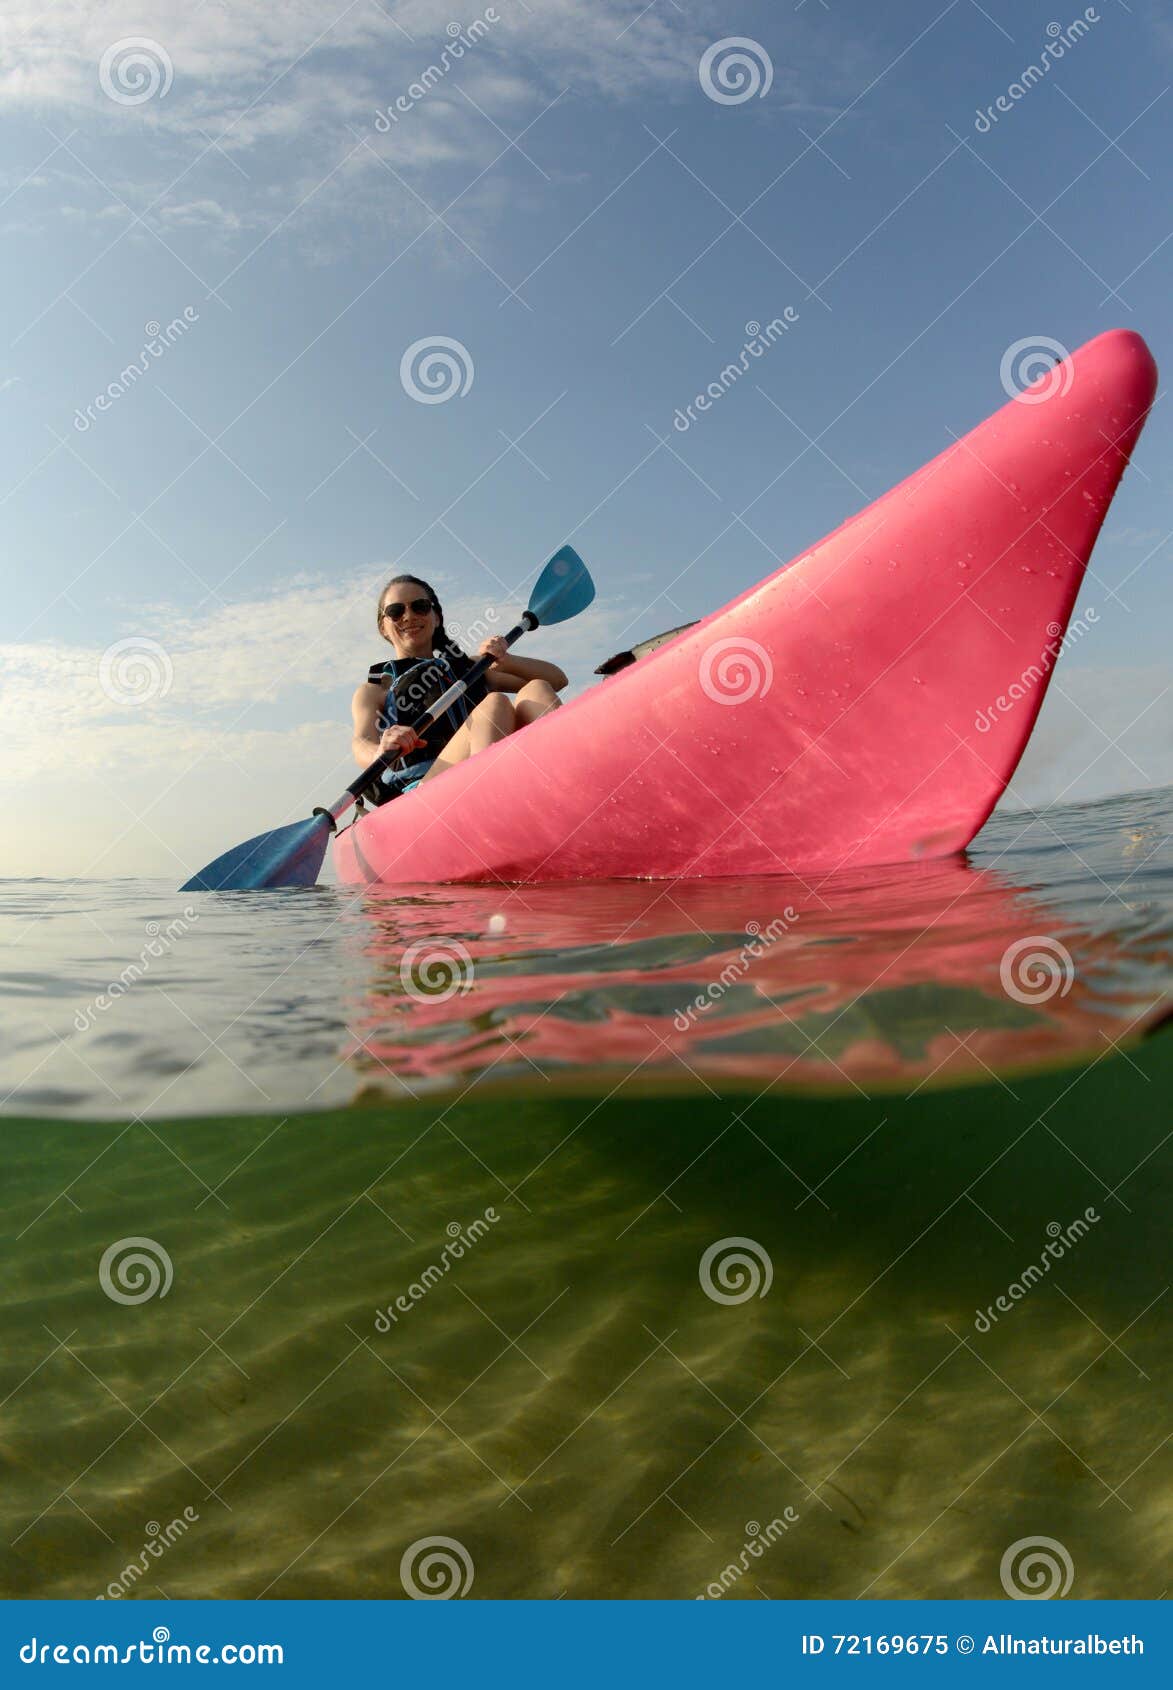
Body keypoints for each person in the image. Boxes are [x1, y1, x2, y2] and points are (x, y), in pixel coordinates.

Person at [351, 573, 567, 802]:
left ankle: (566, 778)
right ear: (383, 627)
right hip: (427, 788)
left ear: (436, 617)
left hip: (485, 768)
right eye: (396, 611)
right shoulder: (376, 689)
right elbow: (361, 742)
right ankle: (489, 800)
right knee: (494, 703)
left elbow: (557, 680)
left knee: (536, 688)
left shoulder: (471, 667)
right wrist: (380, 751)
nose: (409, 616)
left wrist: (508, 660)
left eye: (420, 607)